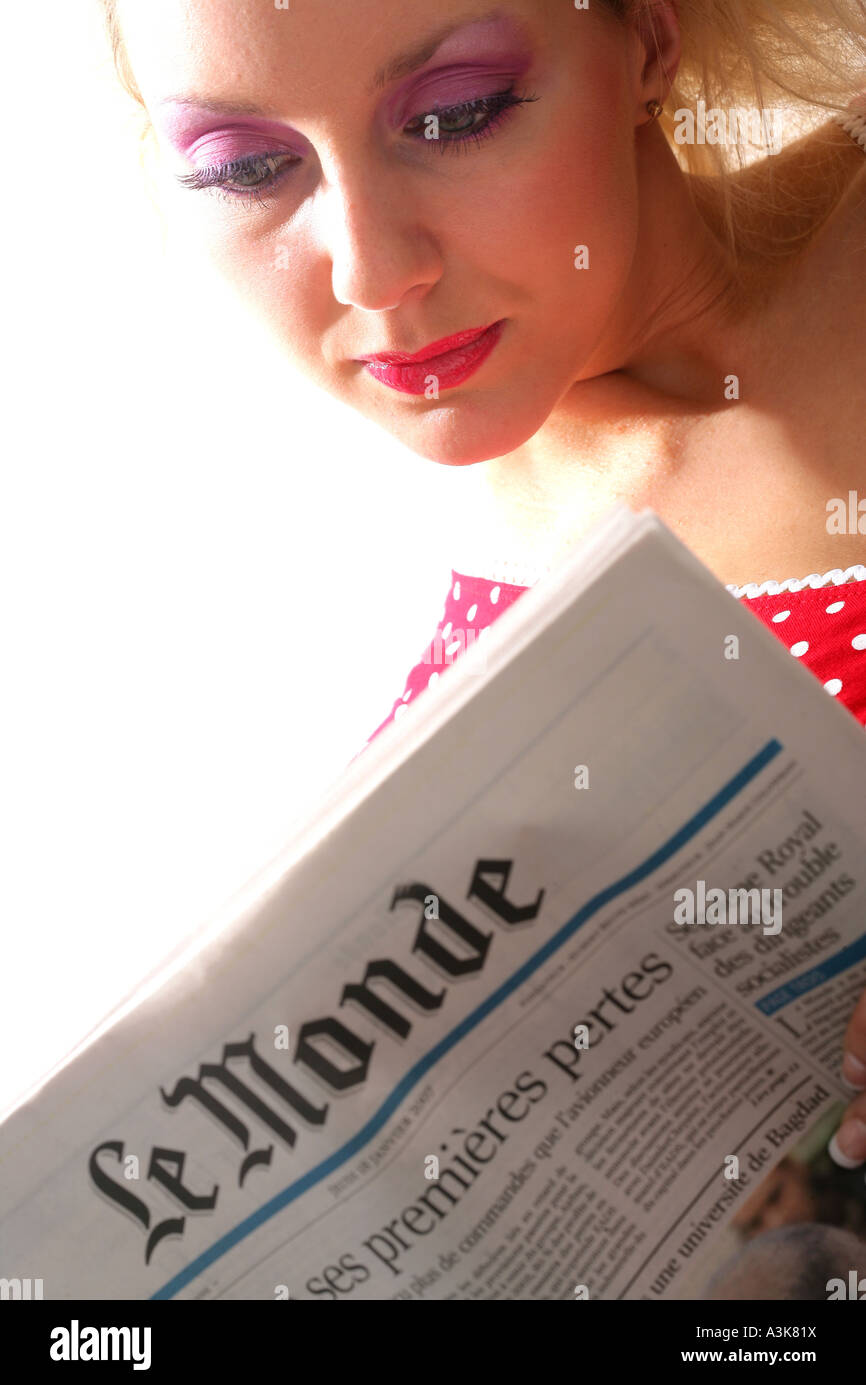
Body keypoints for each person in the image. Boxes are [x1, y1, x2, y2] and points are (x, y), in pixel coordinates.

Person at [99, 0, 866, 1180]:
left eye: (453, 116)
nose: (374, 269)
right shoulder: (477, 542)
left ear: (649, 38)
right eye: (249, 167)